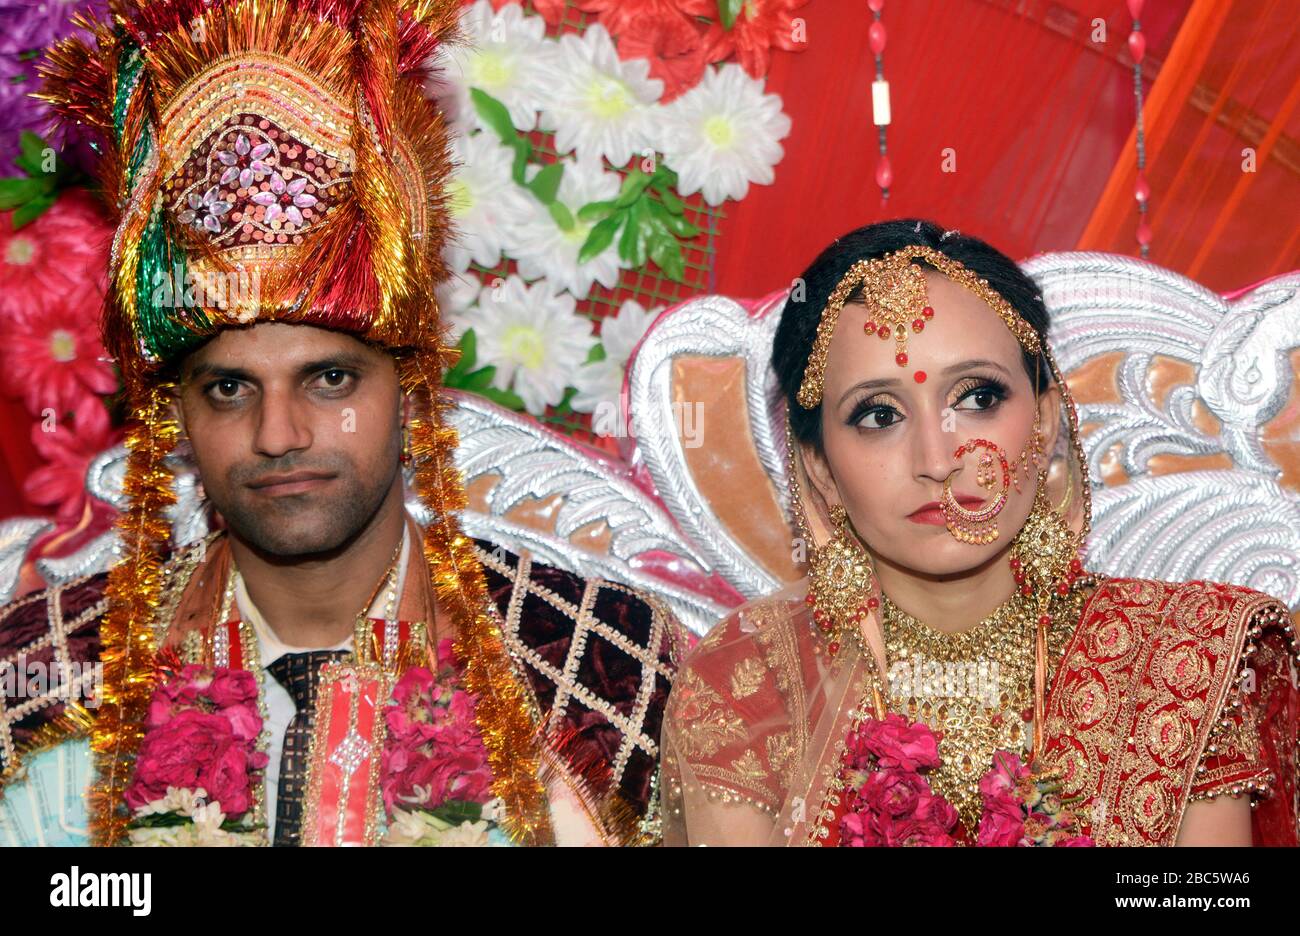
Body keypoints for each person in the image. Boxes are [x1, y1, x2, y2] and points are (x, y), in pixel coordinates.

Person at [0, 0, 680, 847]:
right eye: (228, 391)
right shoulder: (49, 680)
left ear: (411, 386)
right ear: (173, 415)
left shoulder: (593, 671)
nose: (278, 434)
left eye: (329, 379)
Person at [661, 219, 1298, 847]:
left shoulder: (1180, 660)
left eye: (977, 398)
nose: (938, 459)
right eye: (879, 414)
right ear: (821, 469)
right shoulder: (752, 685)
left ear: (1046, 421)